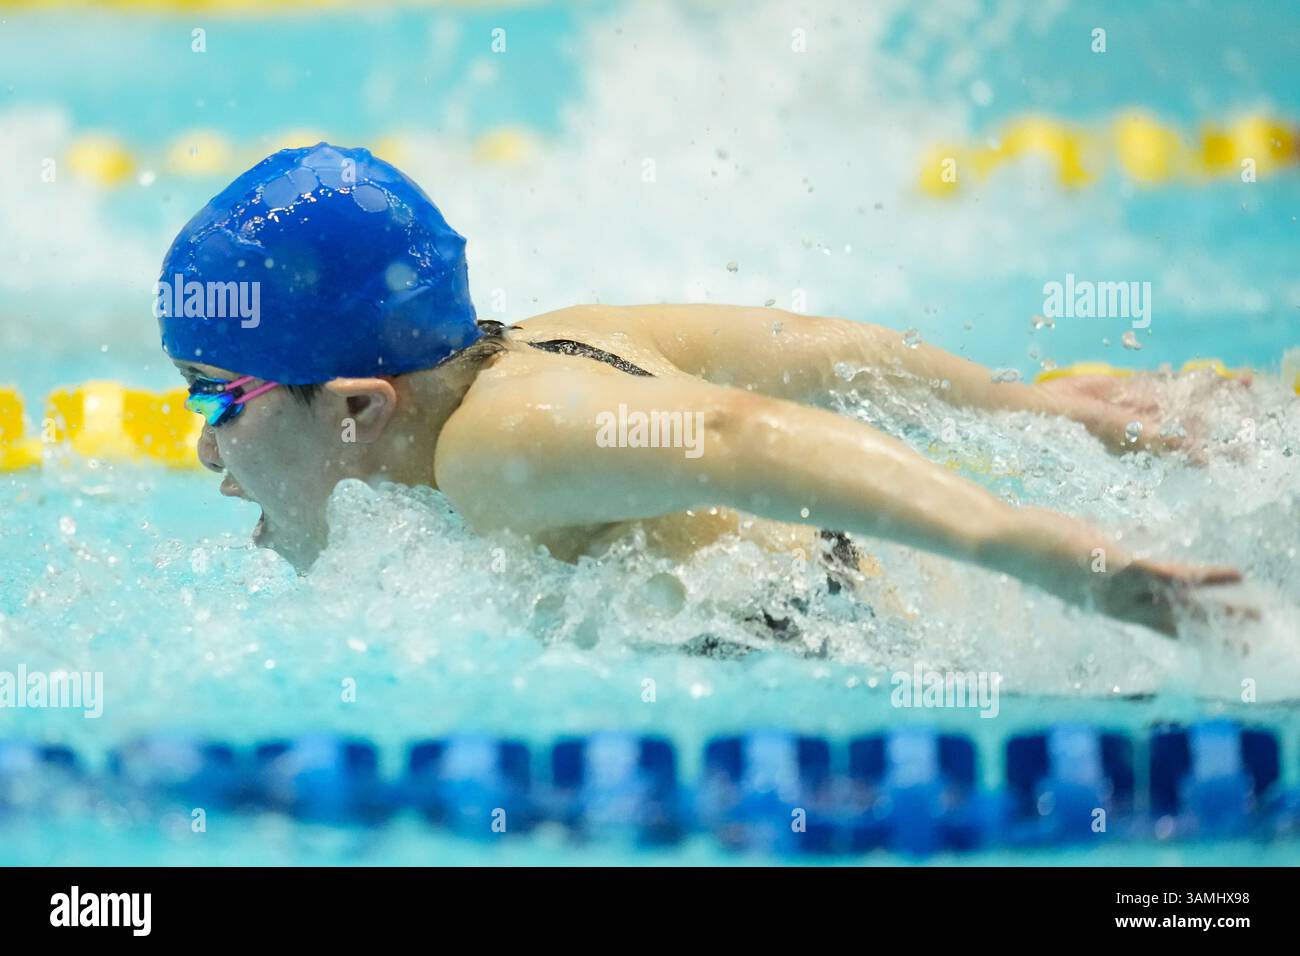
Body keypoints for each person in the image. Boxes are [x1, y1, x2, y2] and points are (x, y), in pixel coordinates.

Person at [157, 144, 1242, 639]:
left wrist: (1033, 549)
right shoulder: (552, 339)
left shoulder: (499, 445)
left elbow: (741, 428)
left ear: (357, 406)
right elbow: (809, 347)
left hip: (822, 638)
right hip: (853, 600)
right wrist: (1038, 412)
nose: (206, 447)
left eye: (218, 399)